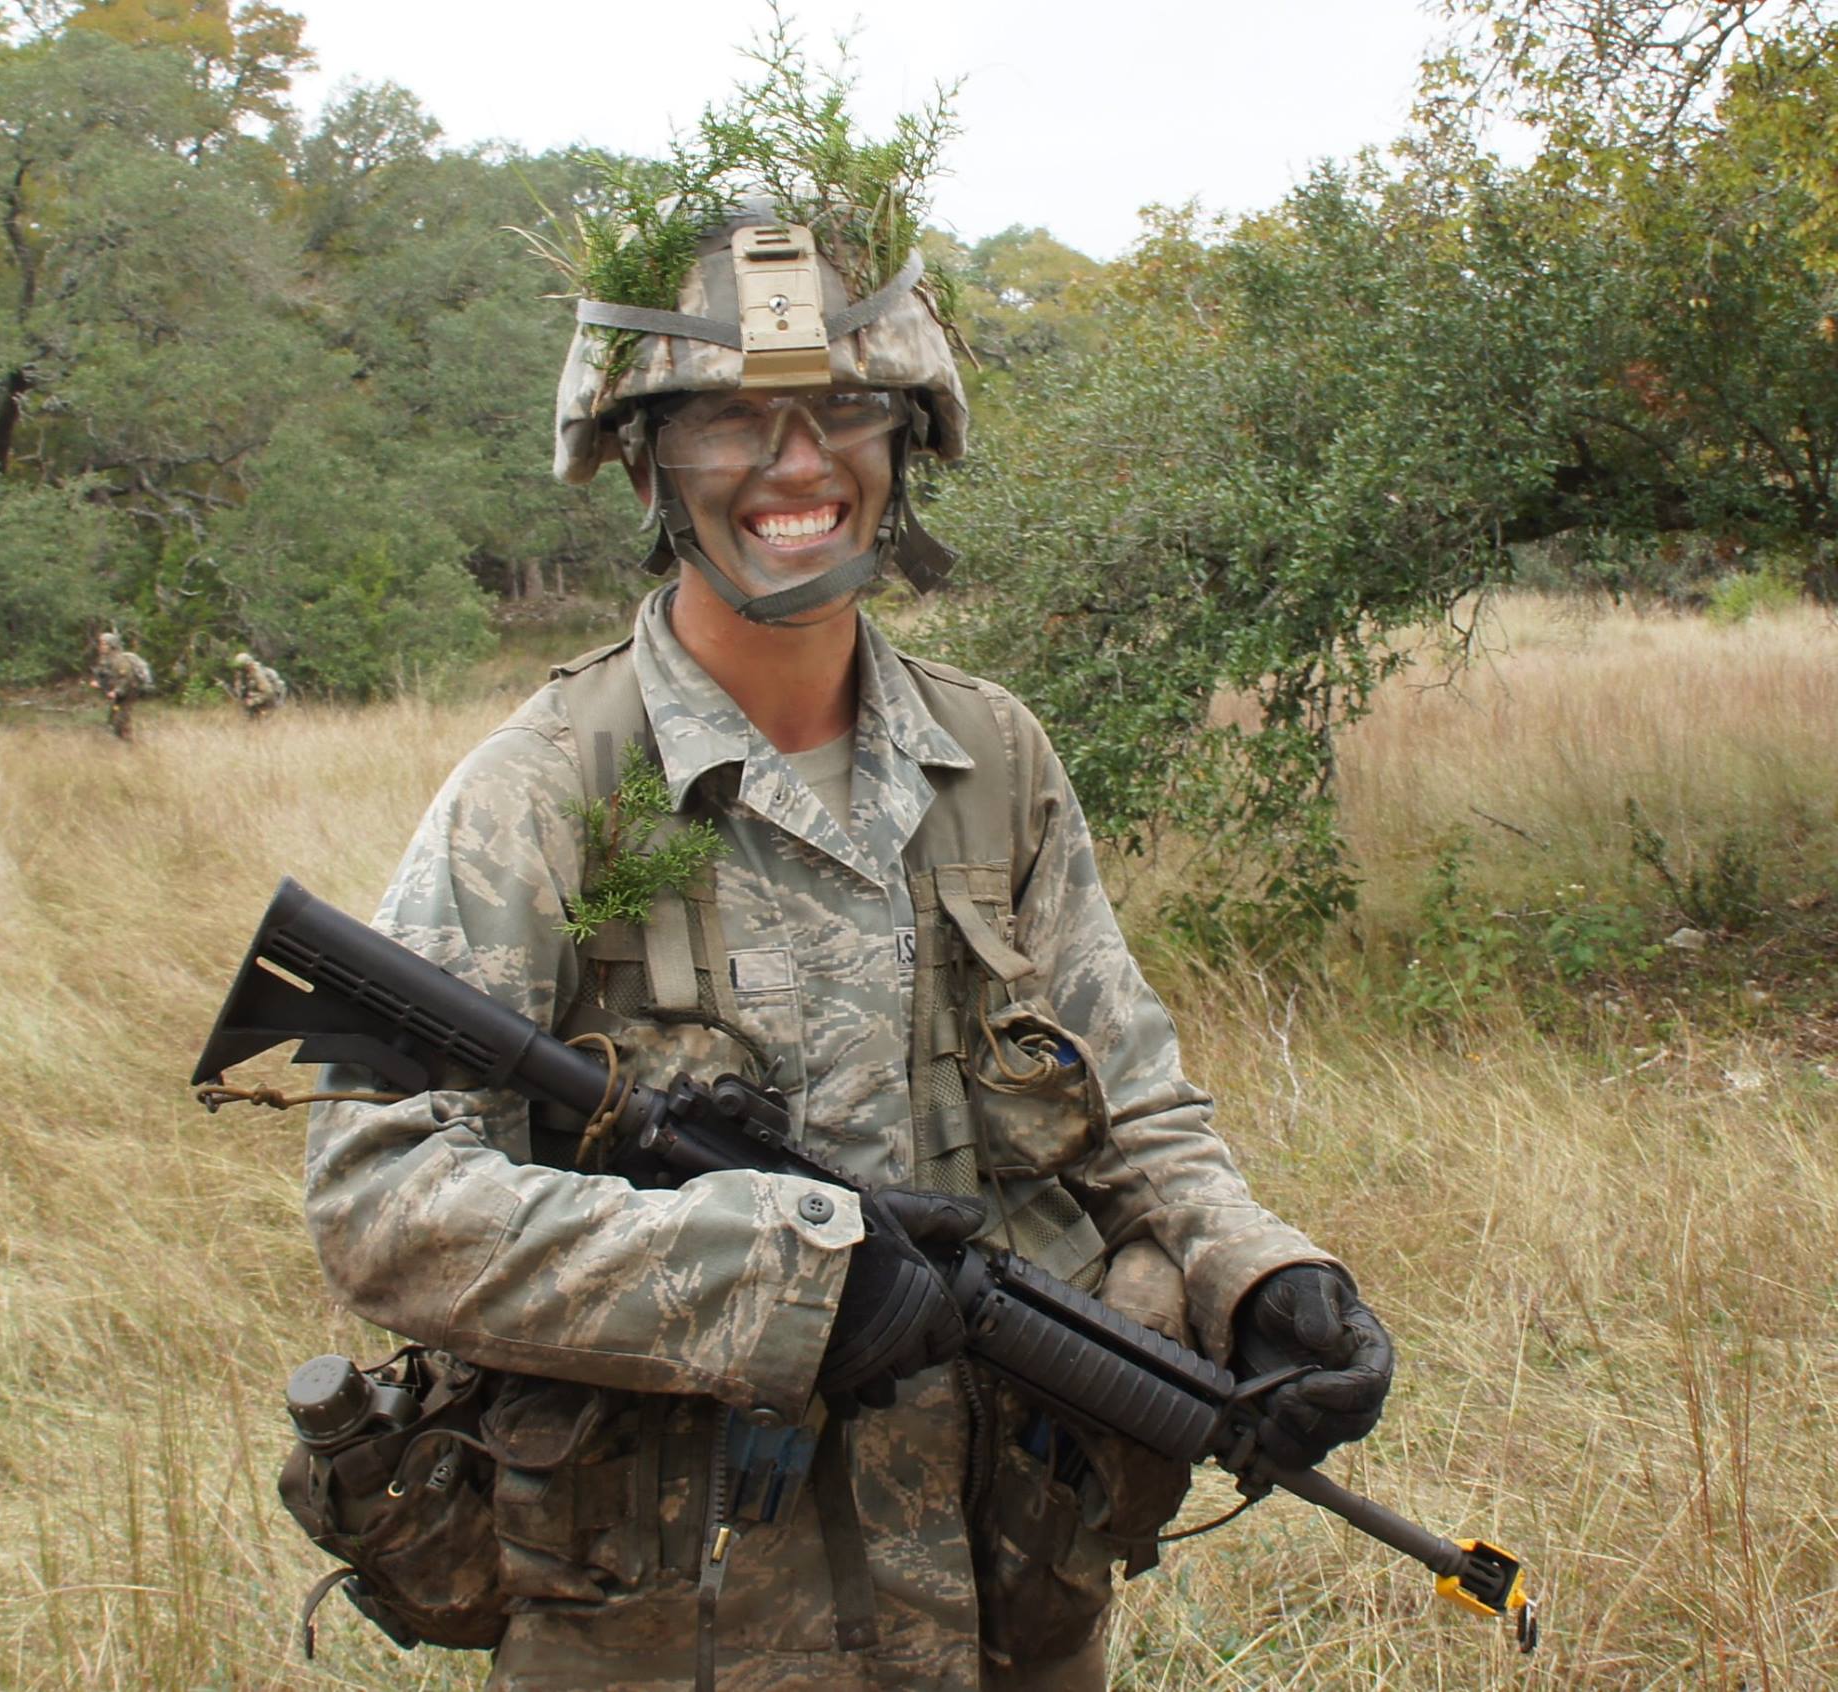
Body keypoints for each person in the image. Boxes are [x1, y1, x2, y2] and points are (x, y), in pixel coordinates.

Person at [305, 209, 1393, 1692]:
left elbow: (1134, 1108)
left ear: (906, 444)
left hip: (1012, 1603)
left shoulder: (993, 757)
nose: (797, 464)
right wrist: (780, 1274)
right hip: (675, 1635)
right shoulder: (544, 786)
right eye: (729, 424)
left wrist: (1255, 1271)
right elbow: (382, 1198)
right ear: (644, 465)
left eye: (841, 415)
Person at [88, 630, 152, 742]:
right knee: (114, 719)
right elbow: (108, 677)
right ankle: (124, 742)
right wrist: (100, 684)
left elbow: (126, 678)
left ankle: (129, 745)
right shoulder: (106, 660)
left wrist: (116, 691)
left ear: (111, 645)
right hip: (119, 695)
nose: (101, 646)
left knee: (120, 719)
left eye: (104, 644)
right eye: (101, 643)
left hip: (128, 693)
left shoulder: (119, 659)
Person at [230, 650, 287, 721]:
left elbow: (269, 693)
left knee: (266, 720)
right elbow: (241, 690)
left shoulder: (258, 673)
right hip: (260, 698)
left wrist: (253, 701)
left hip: (271, 698)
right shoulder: (243, 675)